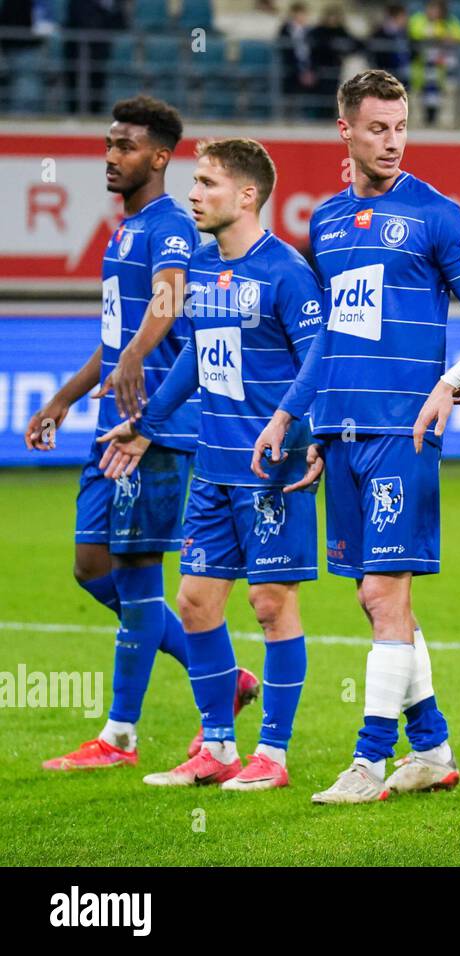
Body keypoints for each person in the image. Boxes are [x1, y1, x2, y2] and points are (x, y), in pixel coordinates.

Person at [253, 69, 460, 805]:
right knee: (371, 595)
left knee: (386, 595)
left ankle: (367, 762)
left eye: (401, 127)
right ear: (346, 131)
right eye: (378, 128)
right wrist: (301, 418)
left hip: (404, 430)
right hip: (344, 428)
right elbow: (332, 336)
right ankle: (432, 748)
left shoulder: (438, 215)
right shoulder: (324, 222)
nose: (393, 141)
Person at [28, 96, 259, 770]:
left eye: (124, 146)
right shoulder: (121, 231)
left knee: (135, 577)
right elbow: (116, 338)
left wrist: (136, 358)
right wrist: (63, 400)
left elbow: (170, 297)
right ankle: (228, 678)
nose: (110, 156)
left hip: (151, 427)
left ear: (159, 157)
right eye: (108, 143)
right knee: (91, 568)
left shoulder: (169, 227)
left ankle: (120, 738)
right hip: (107, 425)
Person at [98, 138, 323, 791]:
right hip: (213, 463)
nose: (193, 194)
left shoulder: (285, 270)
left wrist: (295, 427)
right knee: (195, 602)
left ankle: (273, 757)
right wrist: (147, 426)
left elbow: (316, 358)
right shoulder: (200, 265)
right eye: (194, 183)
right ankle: (218, 747)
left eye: (207, 184)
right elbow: (197, 357)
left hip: (269, 467)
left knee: (271, 604)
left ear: (247, 196)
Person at [408, 0, 460, 125]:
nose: (434, 12)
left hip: (441, 69)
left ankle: (439, 121)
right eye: (431, 8)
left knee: (442, 94)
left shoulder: (449, 21)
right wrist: (440, 35)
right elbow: (414, 32)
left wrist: (450, 37)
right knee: (421, 97)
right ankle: (423, 121)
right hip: (420, 66)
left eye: (437, 9)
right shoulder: (418, 19)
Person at [278, 2, 316, 113]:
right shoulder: (285, 29)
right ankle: (289, 114)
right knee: (290, 94)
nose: (303, 17)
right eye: (300, 14)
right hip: (291, 67)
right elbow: (285, 50)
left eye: (304, 14)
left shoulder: (310, 31)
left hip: (307, 66)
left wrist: (309, 70)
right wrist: (299, 70)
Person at [369, 3, 412, 88]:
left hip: (402, 74)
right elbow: (376, 54)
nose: (406, 19)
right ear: (395, 17)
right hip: (387, 75)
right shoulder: (380, 32)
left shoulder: (404, 33)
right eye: (403, 16)